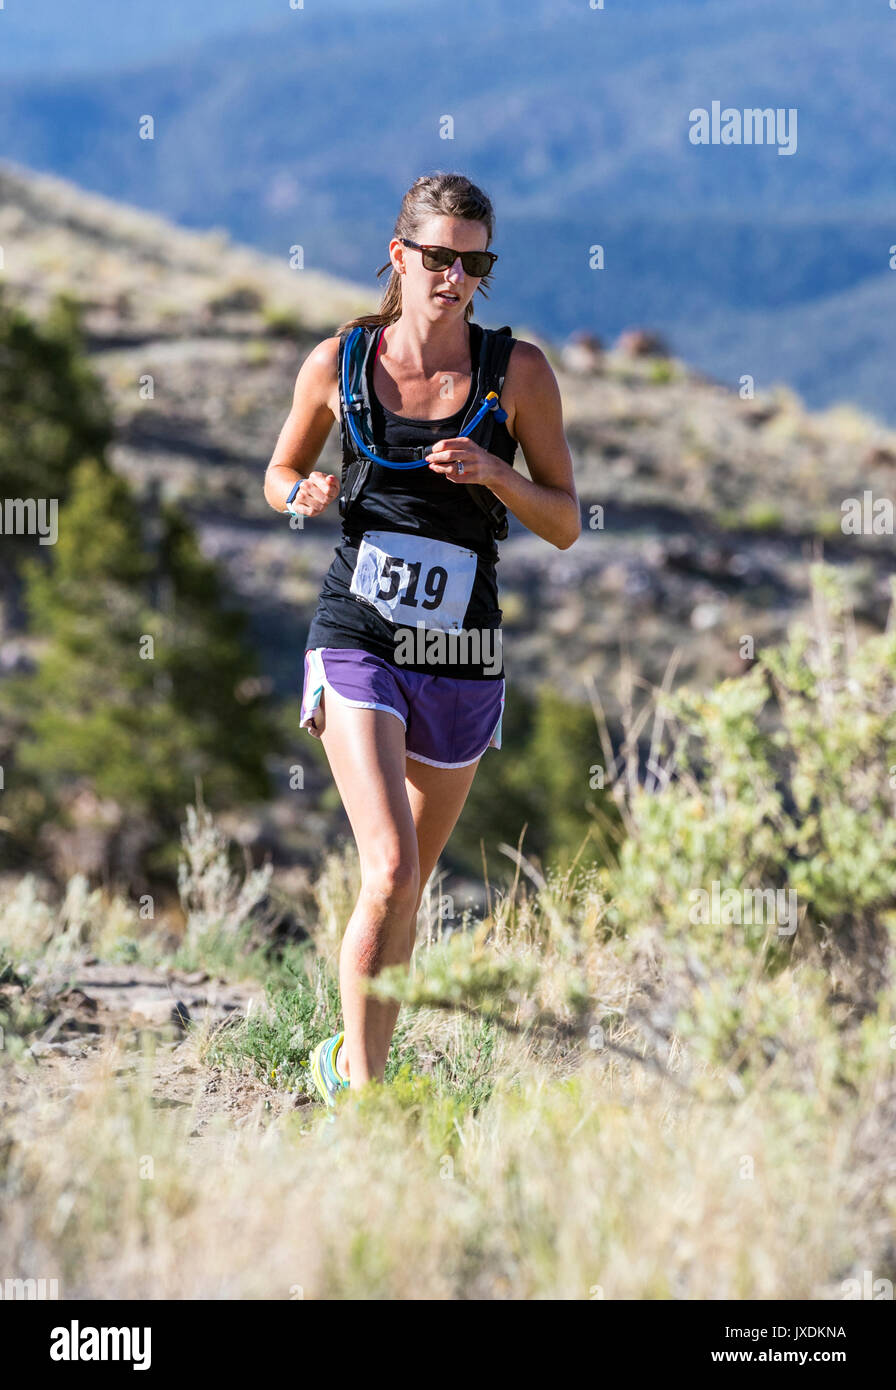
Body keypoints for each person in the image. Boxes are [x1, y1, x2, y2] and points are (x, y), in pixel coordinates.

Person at [264, 172, 579, 1105]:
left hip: (460, 654)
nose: (455, 277)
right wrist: (299, 493)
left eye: (474, 263)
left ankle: (348, 1061)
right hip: (357, 634)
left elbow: (565, 521)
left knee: (408, 889)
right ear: (398, 255)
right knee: (391, 867)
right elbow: (279, 471)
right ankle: (370, 1107)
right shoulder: (339, 361)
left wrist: (497, 474)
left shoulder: (518, 373)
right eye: (438, 257)